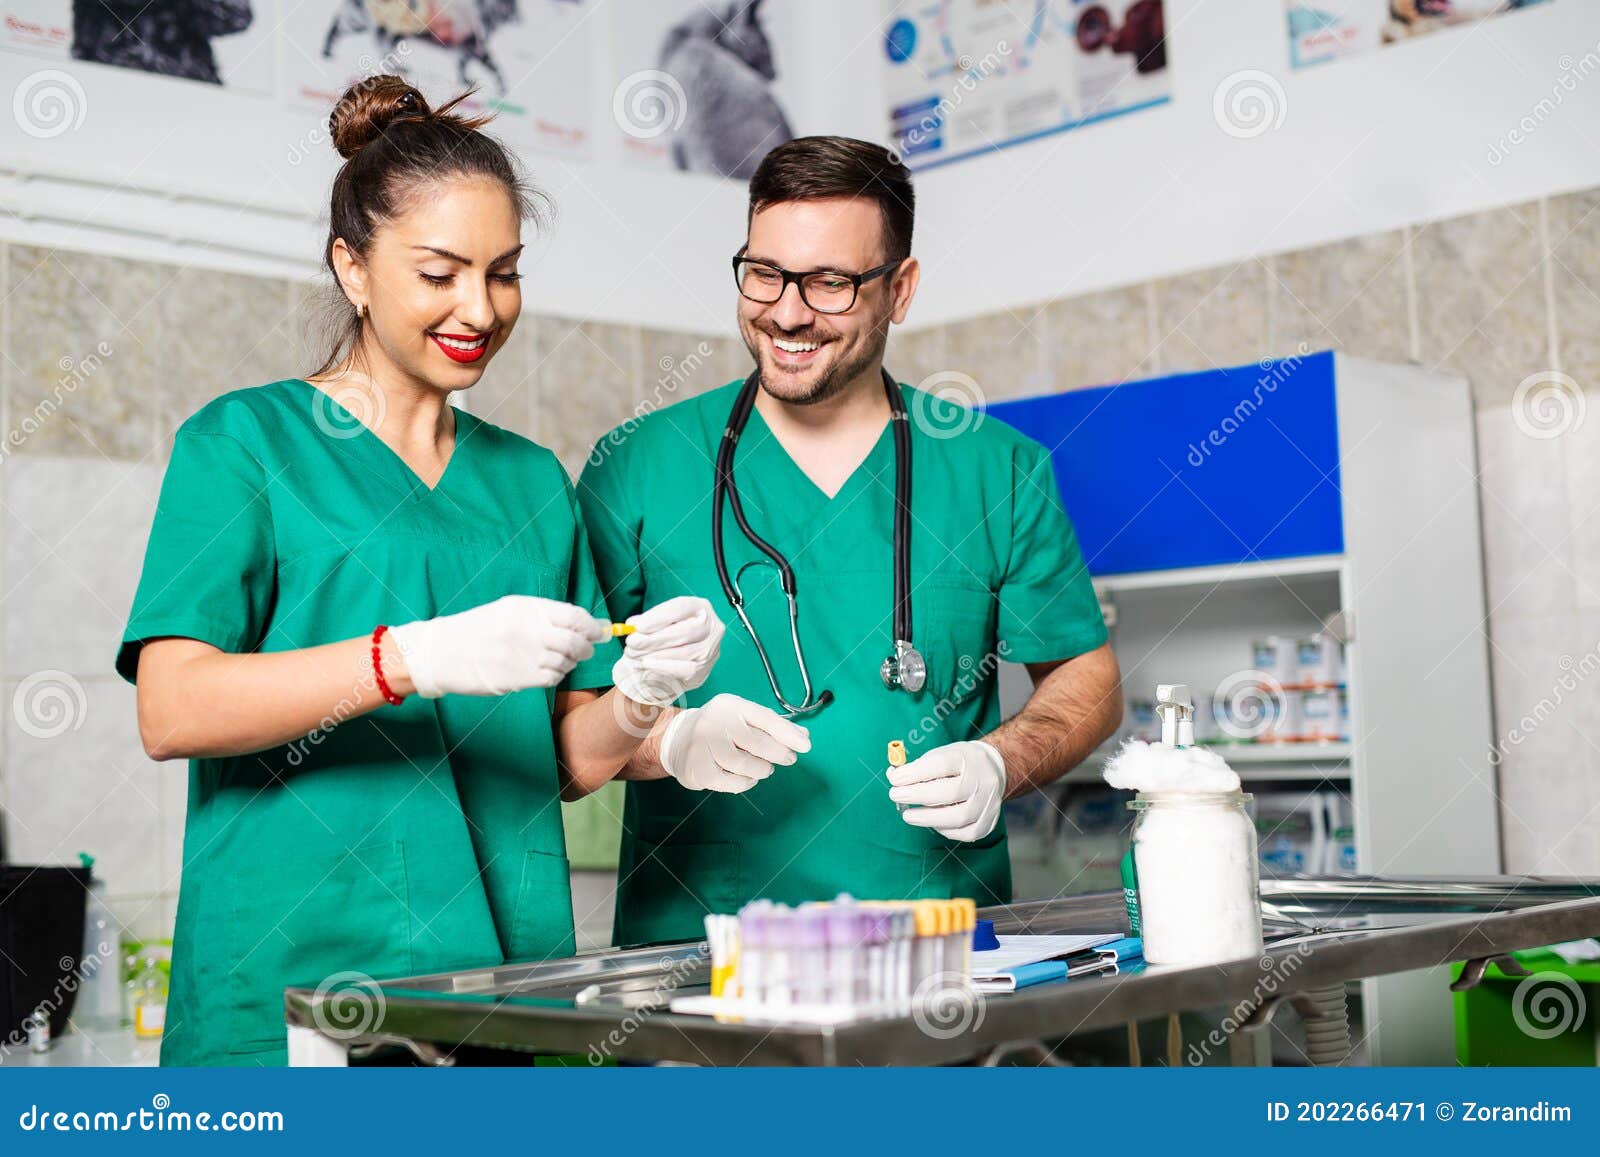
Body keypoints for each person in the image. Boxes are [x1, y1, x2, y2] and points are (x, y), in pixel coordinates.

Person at [117, 77, 723, 1066]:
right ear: (351, 267)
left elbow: (564, 760)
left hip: (507, 991)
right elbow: (171, 708)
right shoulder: (244, 443)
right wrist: (409, 656)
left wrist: (647, 701)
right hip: (294, 991)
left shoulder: (529, 482)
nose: (479, 309)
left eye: (504, 272)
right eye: (439, 272)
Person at [577, 135, 1123, 948]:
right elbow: (569, 729)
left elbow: (1089, 677)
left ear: (899, 290)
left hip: (938, 956)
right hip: (698, 966)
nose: (788, 312)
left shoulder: (995, 469)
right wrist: (670, 740)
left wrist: (1002, 761)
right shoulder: (637, 467)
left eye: (830, 282)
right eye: (765, 273)